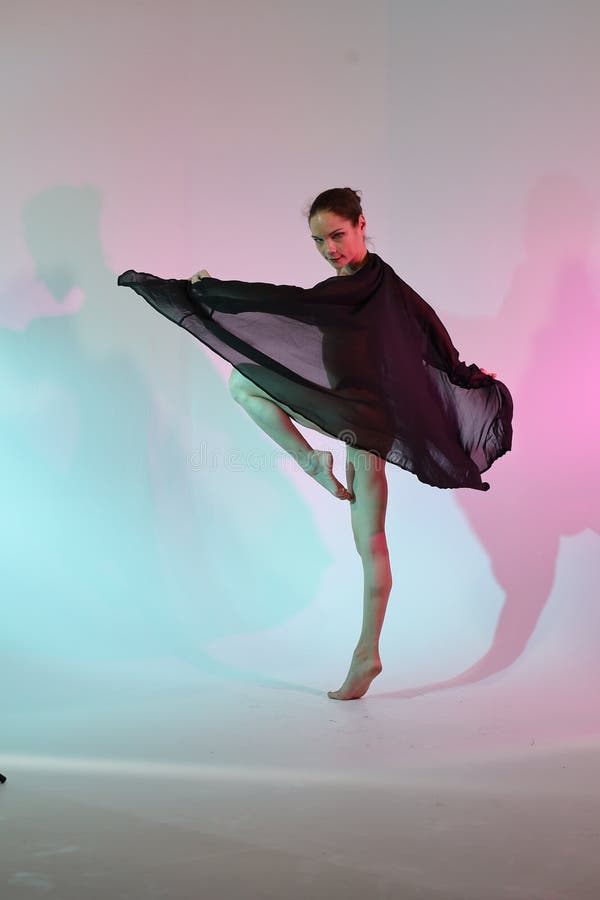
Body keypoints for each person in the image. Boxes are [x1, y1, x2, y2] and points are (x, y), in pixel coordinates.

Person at [118, 187, 512, 701]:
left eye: (338, 236)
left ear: (362, 224)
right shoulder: (349, 289)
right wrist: (219, 292)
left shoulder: (378, 287)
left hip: (366, 418)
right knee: (246, 387)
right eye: (320, 240)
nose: (331, 249)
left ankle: (365, 651)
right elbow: (293, 303)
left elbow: (433, 339)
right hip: (345, 408)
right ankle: (314, 470)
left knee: (368, 539)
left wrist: (214, 291)